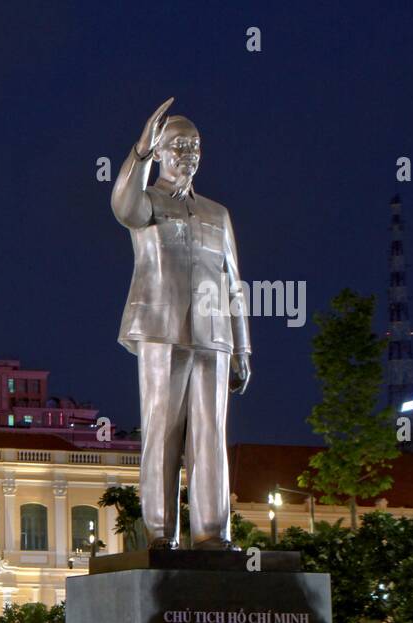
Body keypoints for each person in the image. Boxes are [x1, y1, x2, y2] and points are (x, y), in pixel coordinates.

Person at [111, 98, 252, 549]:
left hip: (214, 337)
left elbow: (234, 283)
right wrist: (139, 152)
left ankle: (213, 533)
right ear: (161, 152)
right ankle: (160, 533)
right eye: (178, 146)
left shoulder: (217, 214)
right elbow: (122, 205)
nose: (188, 154)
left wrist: (243, 348)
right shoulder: (148, 204)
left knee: (211, 435)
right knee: (162, 430)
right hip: (161, 330)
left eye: (194, 147)